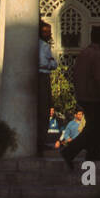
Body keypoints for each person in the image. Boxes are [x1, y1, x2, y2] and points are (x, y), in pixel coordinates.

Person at [64, 19, 100, 169]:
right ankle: (70, 151)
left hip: (85, 96)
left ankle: (93, 153)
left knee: (95, 126)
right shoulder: (96, 54)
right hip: (95, 97)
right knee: (95, 127)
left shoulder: (85, 52)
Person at [38, 22, 58, 153]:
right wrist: (51, 62)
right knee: (42, 110)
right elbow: (48, 63)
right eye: (45, 31)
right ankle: (39, 142)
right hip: (42, 77)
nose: (49, 34)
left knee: (44, 110)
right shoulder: (43, 46)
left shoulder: (44, 45)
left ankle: (41, 141)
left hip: (44, 77)